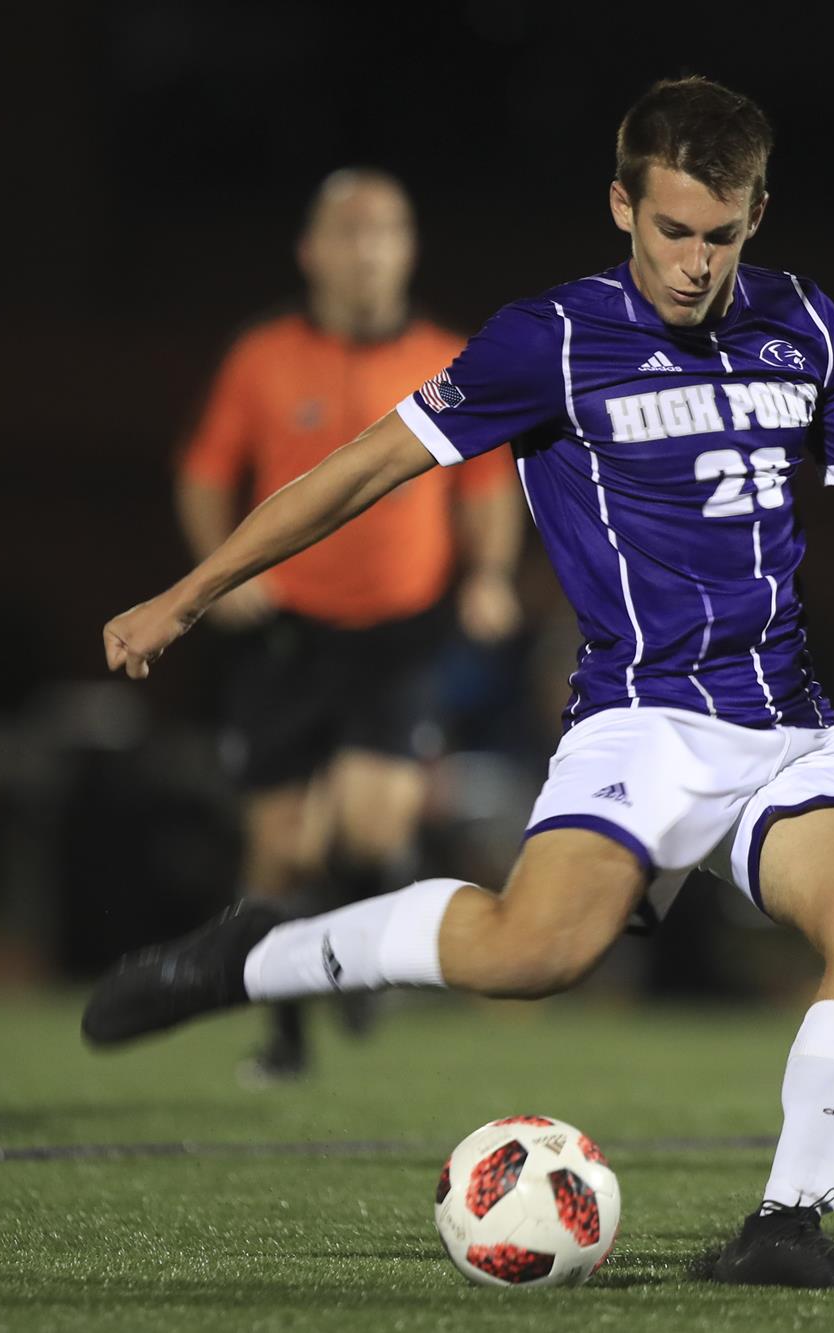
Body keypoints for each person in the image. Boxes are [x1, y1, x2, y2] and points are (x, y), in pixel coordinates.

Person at [83, 77, 834, 1287]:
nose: (694, 262)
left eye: (721, 233)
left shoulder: (802, 325)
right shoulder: (547, 337)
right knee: (530, 954)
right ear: (619, 204)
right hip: (640, 720)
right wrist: (186, 594)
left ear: (758, 213)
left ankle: (782, 1226)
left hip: (784, 723)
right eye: (670, 229)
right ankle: (253, 956)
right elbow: (358, 472)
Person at [175, 169, 522, 1081]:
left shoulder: (453, 356)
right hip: (290, 631)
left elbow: (486, 483)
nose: (367, 248)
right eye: (348, 231)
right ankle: (285, 1037)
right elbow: (207, 471)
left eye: (386, 231)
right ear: (312, 251)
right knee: (281, 848)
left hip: (402, 630)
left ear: (408, 250)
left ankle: (367, 960)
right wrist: (220, 575)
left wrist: (487, 575)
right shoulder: (262, 356)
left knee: (370, 828)